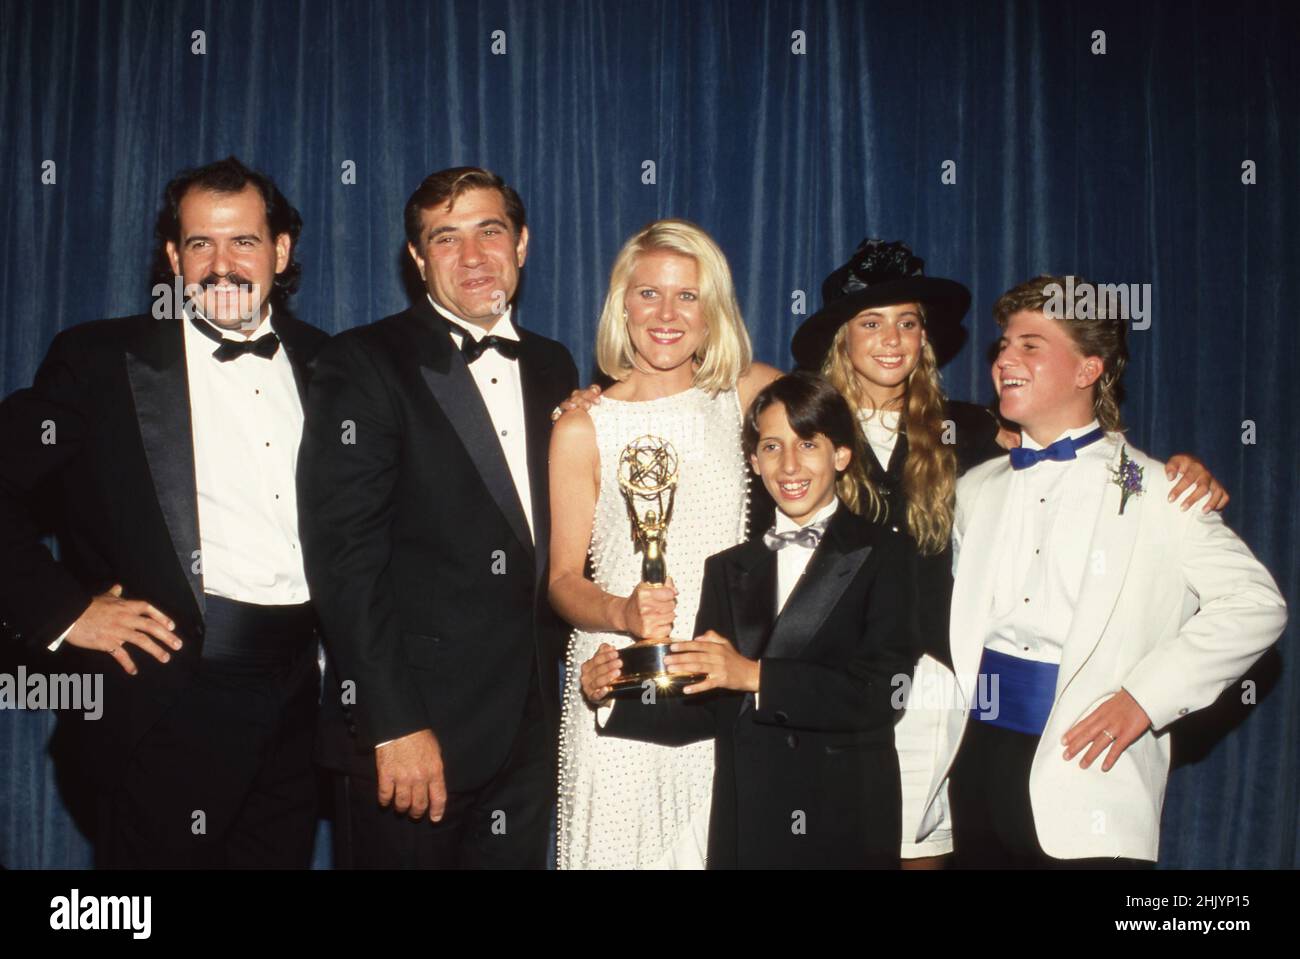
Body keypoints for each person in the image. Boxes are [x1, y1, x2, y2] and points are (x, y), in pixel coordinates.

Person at [789, 238, 1231, 866]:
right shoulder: (796, 430)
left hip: (932, 697)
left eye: (907, 323)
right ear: (841, 338)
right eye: (870, 322)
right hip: (819, 692)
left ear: (925, 339)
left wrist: (1179, 477)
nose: (891, 339)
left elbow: (1091, 468)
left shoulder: (969, 433)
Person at [0, 156, 328, 866]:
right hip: (167, 701)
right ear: (174, 257)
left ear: (280, 250)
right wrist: (63, 611)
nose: (221, 265)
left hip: (303, 703)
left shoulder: (332, 365)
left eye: (243, 241)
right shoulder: (98, 360)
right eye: (200, 244)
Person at [916, 274, 1286, 867]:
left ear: (1089, 370)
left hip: (1089, 777)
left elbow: (1256, 605)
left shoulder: (1163, 490)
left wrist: (1144, 699)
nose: (1005, 358)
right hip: (978, 769)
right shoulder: (976, 489)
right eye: (1004, 345)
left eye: (1030, 345)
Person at [298, 167, 577, 868]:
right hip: (415, 731)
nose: (474, 255)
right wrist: (392, 720)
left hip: (534, 727)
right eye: (445, 239)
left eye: (490, 231)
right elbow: (343, 556)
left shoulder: (553, 364)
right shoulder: (364, 360)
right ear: (418, 260)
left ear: (522, 244)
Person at [581, 372, 918, 868]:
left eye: (808, 444)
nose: (790, 465)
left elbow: (886, 692)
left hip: (843, 818)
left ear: (841, 455)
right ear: (754, 461)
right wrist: (612, 694)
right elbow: (708, 707)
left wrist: (756, 675)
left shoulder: (886, 553)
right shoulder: (730, 567)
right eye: (772, 447)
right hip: (748, 822)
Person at [548, 219, 780, 869]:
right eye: (649, 293)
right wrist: (623, 613)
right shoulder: (581, 426)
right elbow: (562, 580)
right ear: (622, 303)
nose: (667, 314)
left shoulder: (750, 393)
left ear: (715, 313)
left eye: (689, 295)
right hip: (617, 676)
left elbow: (844, 441)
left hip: (720, 681)